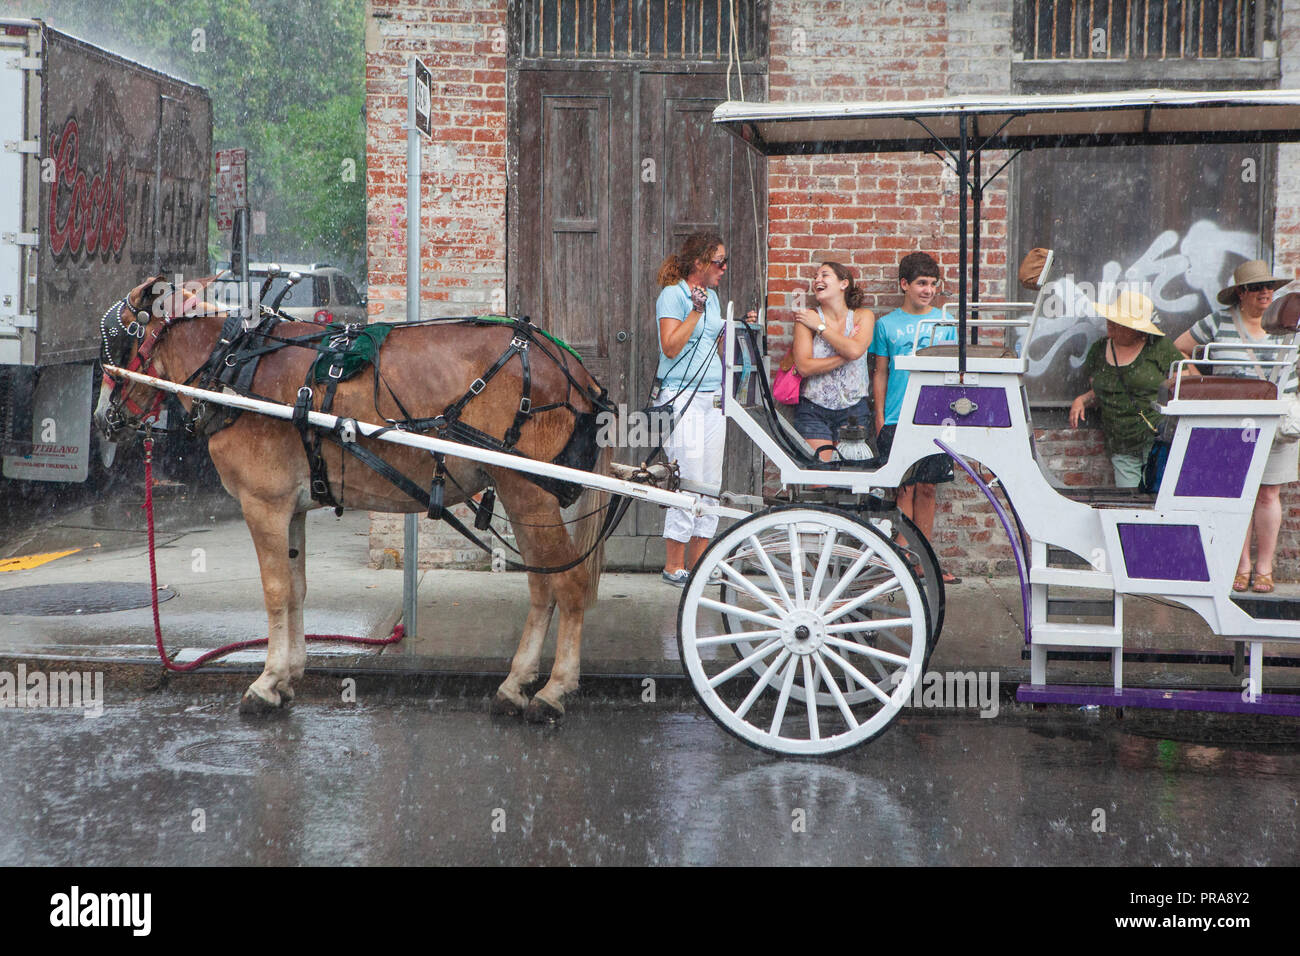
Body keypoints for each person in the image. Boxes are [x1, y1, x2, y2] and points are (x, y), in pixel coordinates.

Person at [1173, 260, 1296, 593]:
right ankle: (1240, 566)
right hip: (1233, 419)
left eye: (1270, 287)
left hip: (1277, 418)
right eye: (1257, 288)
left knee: (1269, 493)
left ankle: (1265, 568)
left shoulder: (1289, 324)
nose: (1266, 293)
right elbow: (1180, 347)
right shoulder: (1219, 321)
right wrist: (1204, 383)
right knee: (1237, 493)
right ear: (1241, 293)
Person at [653, 232, 757, 586]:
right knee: (688, 481)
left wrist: (739, 328)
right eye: (719, 262)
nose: (724, 269)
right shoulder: (674, 295)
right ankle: (673, 566)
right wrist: (695, 312)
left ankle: (699, 567)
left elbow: (715, 346)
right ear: (699, 263)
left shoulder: (713, 297)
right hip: (681, 397)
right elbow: (670, 347)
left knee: (710, 483)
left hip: (713, 398)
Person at [869, 252, 961, 585]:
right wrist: (879, 416)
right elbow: (880, 372)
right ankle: (902, 559)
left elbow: (954, 371)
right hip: (897, 415)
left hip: (935, 416)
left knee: (927, 489)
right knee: (903, 488)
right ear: (904, 284)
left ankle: (924, 561)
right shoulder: (886, 325)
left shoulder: (946, 323)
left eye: (933, 284)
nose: (928, 290)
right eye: (921, 283)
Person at [1070, 289, 1184, 490]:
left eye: (1120, 323)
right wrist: (1083, 399)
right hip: (1122, 443)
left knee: (1159, 498)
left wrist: (1169, 387)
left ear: (1138, 329)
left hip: (1156, 438)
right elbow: (1104, 390)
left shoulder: (1158, 347)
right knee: (1129, 501)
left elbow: (1188, 378)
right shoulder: (1098, 350)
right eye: (1112, 320)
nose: (1112, 325)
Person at [791, 262, 875, 460]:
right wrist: (845, 356)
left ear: (843, 283)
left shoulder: (863, 316)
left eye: (824, 275)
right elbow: (804, 366)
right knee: (819, 478)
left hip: (854, 409)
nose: (817, 280)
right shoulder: (806, 318)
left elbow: (855, 350)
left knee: (848, 479)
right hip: (813, 409)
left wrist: (820, 327)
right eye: (815, 277)